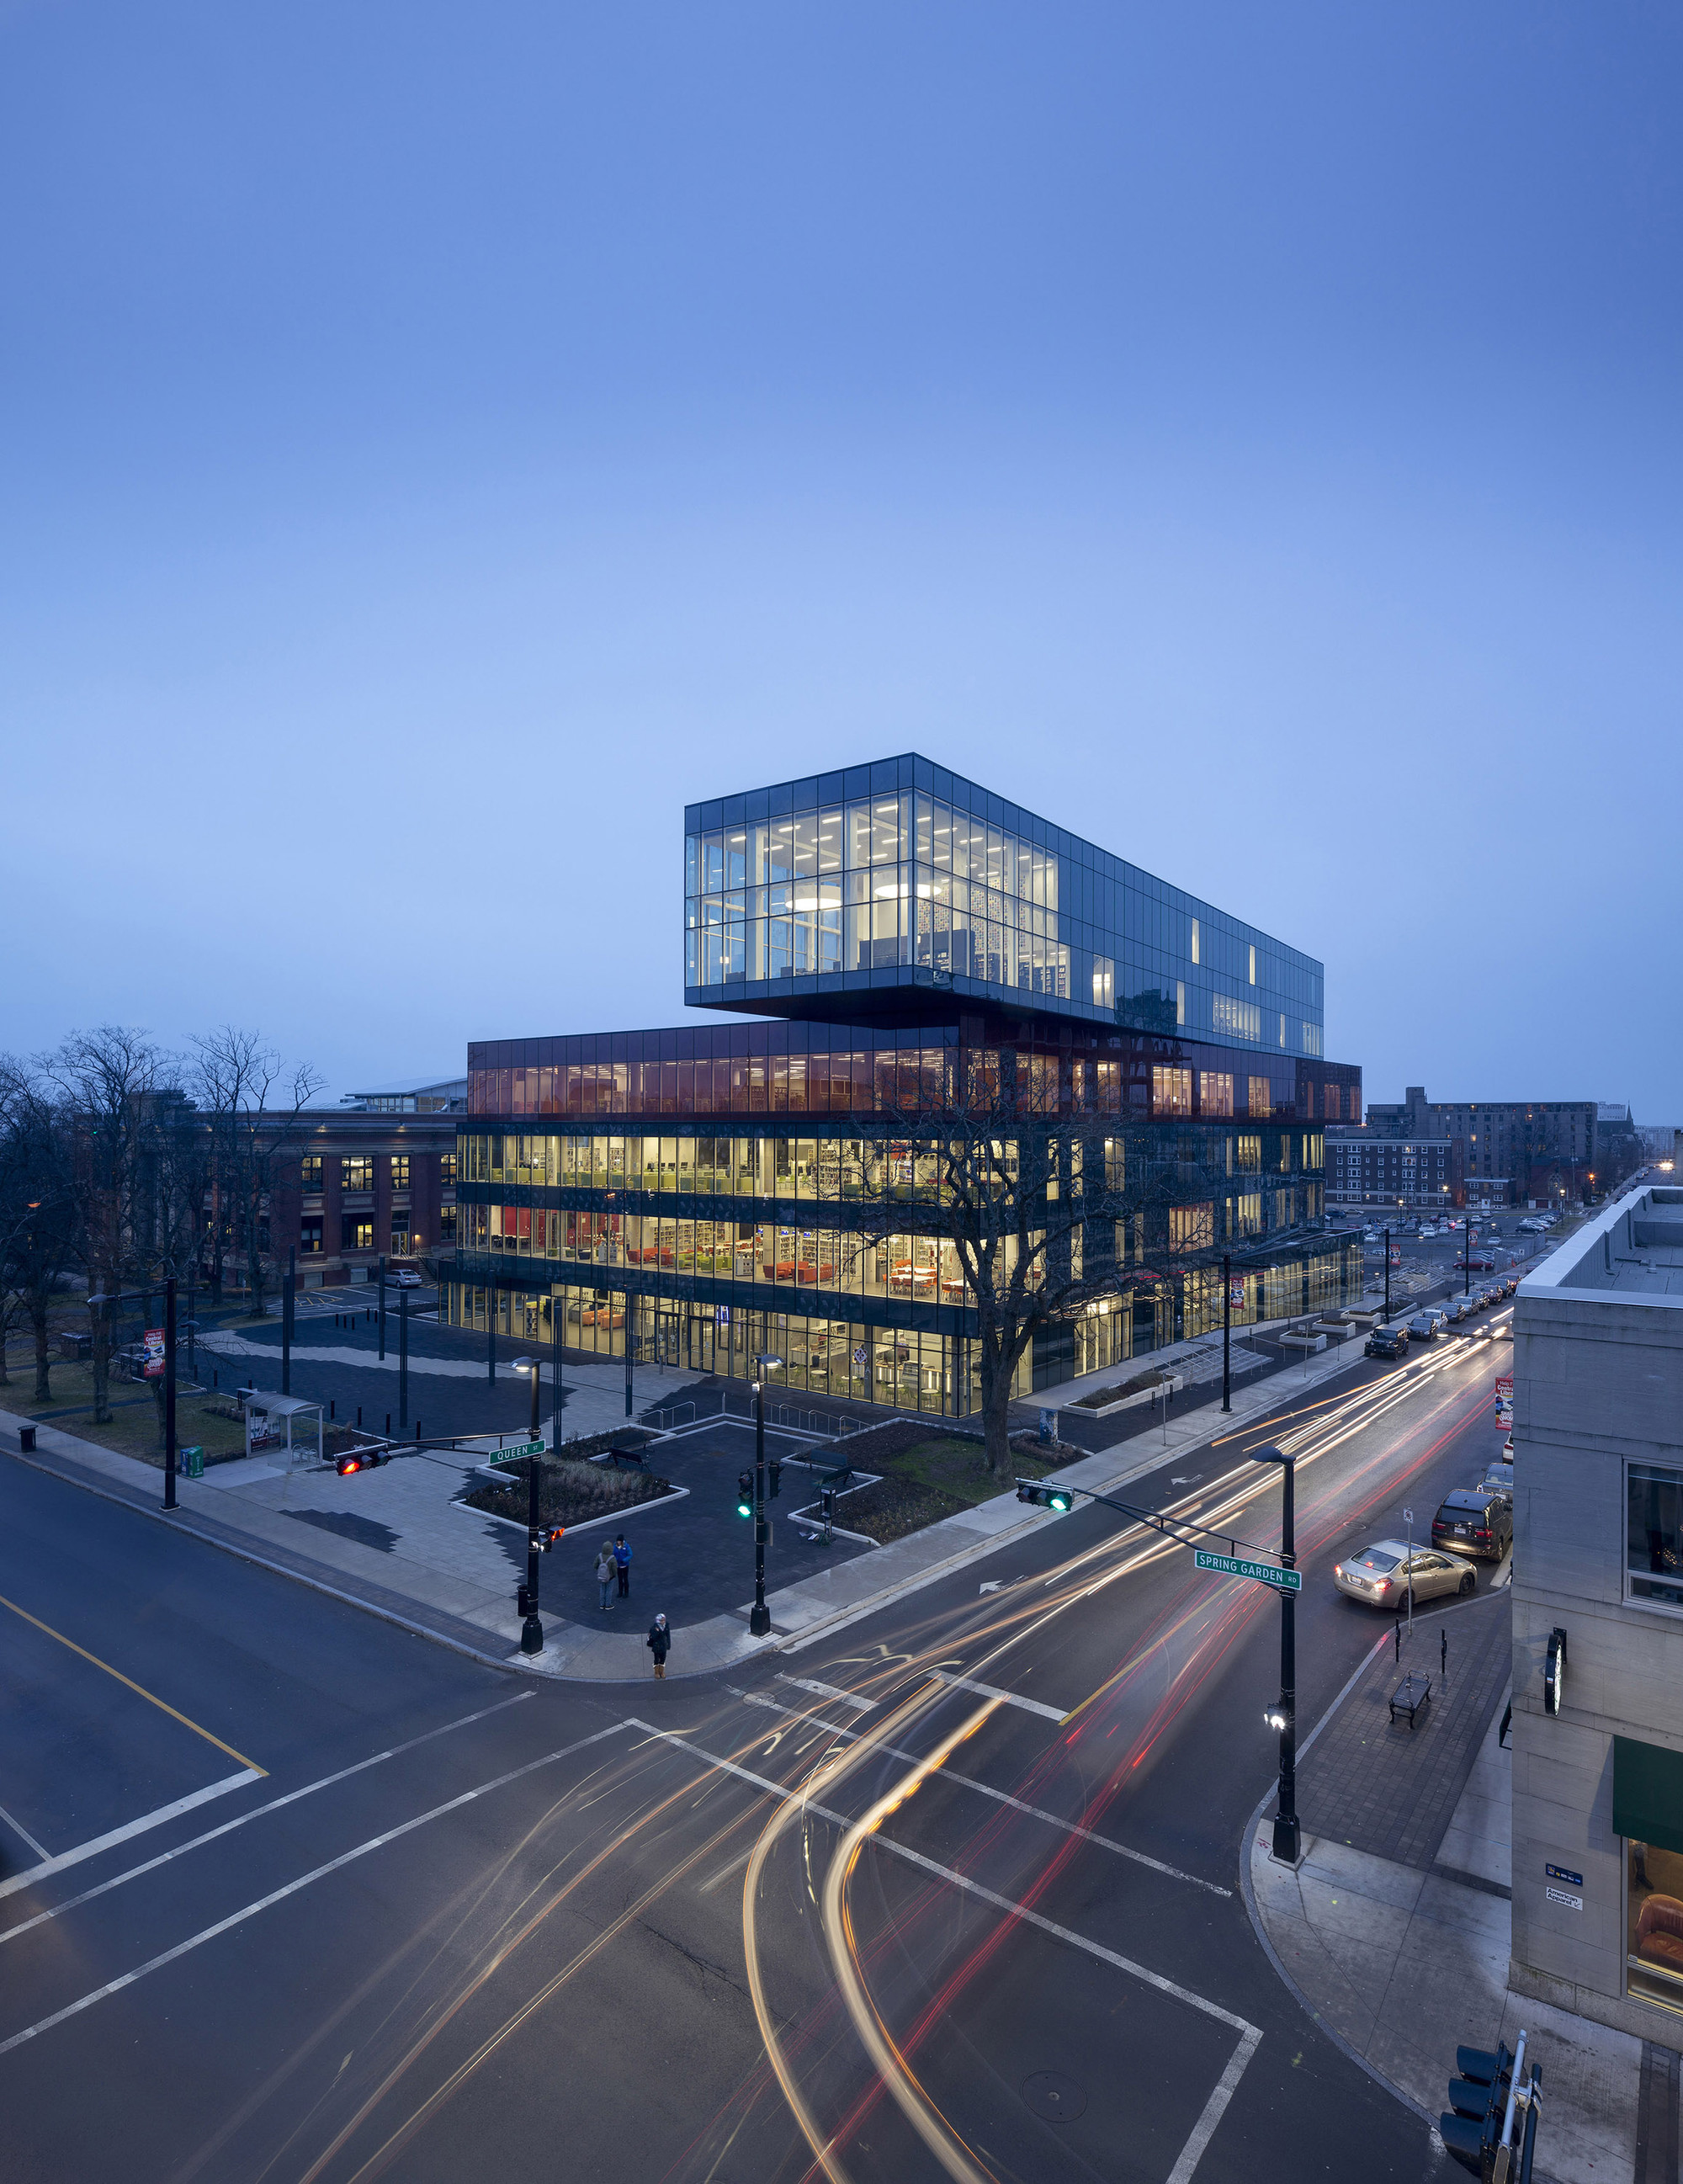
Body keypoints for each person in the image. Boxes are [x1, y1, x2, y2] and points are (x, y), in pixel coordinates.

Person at [646, 1612, 671, 1678]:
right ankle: (656, 1672)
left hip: (664, 1646)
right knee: (656, 1659)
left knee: (663, 1659)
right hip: (657, 1646)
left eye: (664, 1620)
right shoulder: (654, 1628)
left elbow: (668, 1636)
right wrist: (657, 1632)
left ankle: (661, 1672)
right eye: (661, 1620)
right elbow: (653, 1638)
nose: (663, 1622)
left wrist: (668, 1645)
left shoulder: (666, 1626)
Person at [595, 1541, 616, 1610]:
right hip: (610, 1577)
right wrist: (614, 1575)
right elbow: (614, 1569)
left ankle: (602, 1604)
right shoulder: (612, 1558)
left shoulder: (599, 1556)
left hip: (602, 1576)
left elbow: (595, 1565)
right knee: (609, 1590)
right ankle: (608, 1605)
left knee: (602, 1589)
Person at [613, 1533, 632, 1598]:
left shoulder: (627, 1547)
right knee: (620, 1580)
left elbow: (630, 1555)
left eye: (620, 1541)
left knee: (625, 1579)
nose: (618, 1542)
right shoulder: (614, 1546)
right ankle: (620, 1592)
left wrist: (624, 1560)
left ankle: (626, 1593)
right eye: (618, 1541)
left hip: (625, 1566)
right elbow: (613, 1554)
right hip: (618, 1566)